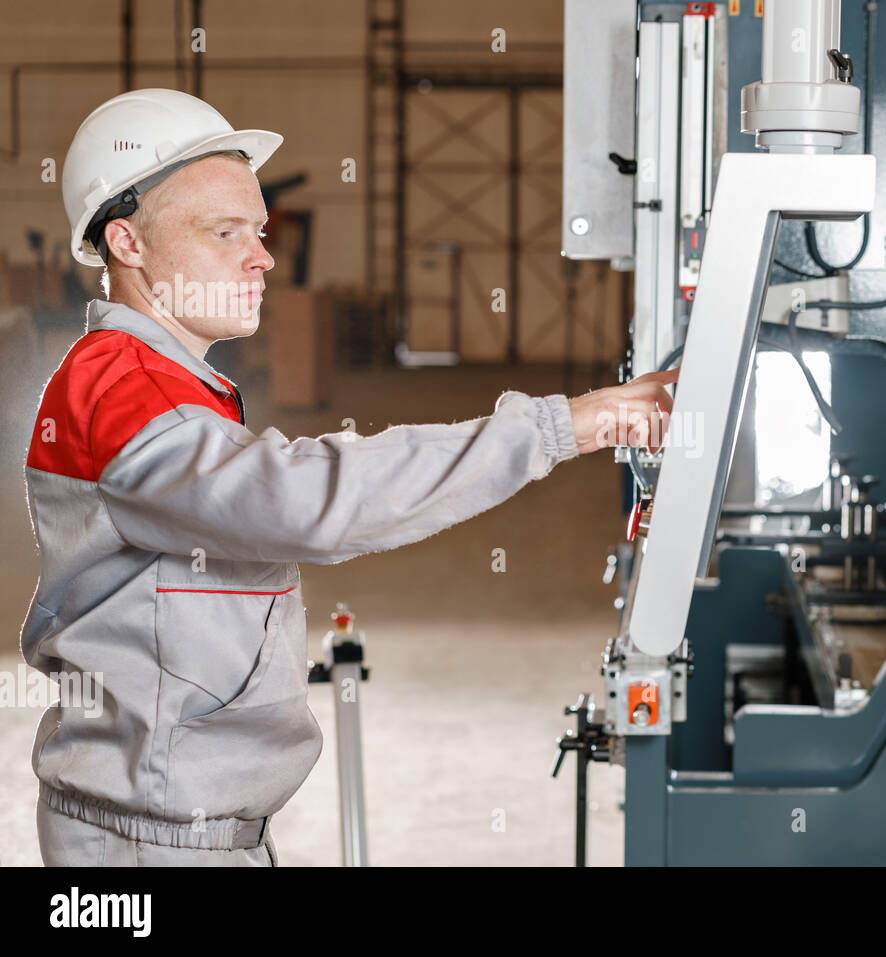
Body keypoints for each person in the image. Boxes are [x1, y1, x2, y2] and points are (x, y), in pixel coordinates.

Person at [21, 89, 675, 866]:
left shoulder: (166, 380)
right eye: (224, 231)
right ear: (126, 242)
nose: (261, 255)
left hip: (186, 830)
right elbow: (309, 498)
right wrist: (565, 425)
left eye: (258, 231)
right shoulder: (119, 385)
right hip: (145, 844)